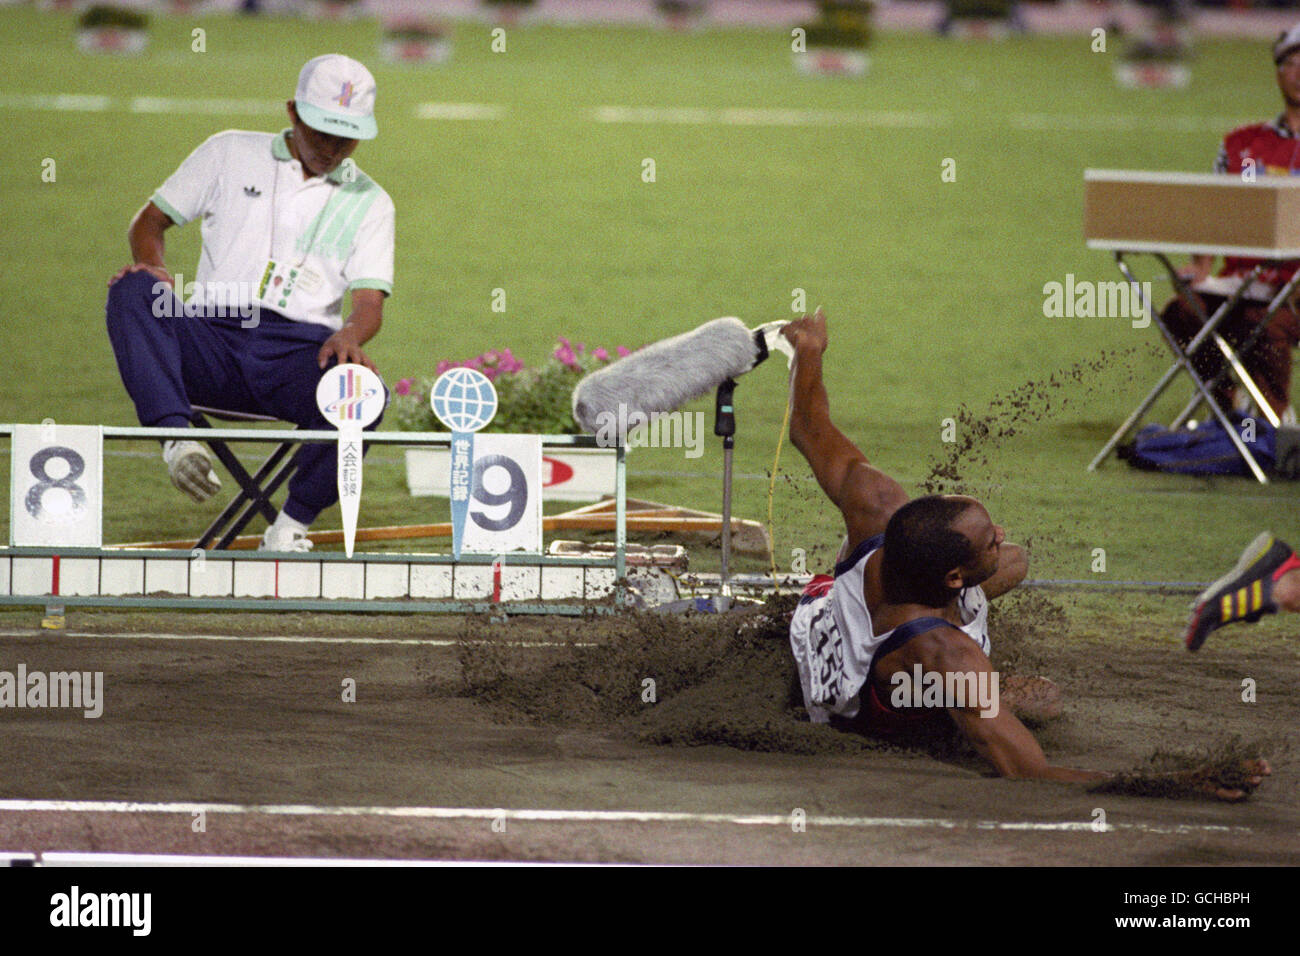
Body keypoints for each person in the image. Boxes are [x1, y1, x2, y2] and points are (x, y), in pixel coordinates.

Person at [782, 310, 1270, 801]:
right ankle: (955, 710)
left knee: (1015, 560)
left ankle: (981, 688)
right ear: (953, 579)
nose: (1000, 531)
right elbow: (1029, 773)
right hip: (856, 704)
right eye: (987, 538)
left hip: (824, 617)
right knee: (1043, 698)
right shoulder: (947, 655)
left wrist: (808, 349)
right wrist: (1183, 783)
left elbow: (807, 424)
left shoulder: (879, 504)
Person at [105, 54, 394, 552]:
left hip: (299, 356)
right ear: (293, 112)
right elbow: (148, 224)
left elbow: (370, 302)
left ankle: (289, 527)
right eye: (322, 130)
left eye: (346, 137)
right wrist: (152, 267)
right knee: (132, 291)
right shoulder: (228, 152)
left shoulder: (373, 201)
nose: (331, 147)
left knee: (363, 391)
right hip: (210, 338)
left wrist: (350, 334)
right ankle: (177, 440)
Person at [1159, 26, 1300, 425]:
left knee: (1261, 322)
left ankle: (1273, 424)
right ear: (1277, 72)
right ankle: (1226, 405)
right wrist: (1201, 267)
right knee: (1183, 312)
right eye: (1292, 62)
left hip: (1293, 293)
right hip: (1241, 283)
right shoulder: (1242, 144)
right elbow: (1212, 212)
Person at [1184, 532, 1300, 651]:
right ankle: (1209, 604)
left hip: (1276, 562)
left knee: (1256, 611)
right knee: (1282, 594)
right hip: (1274, 559)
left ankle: (1209, 611)